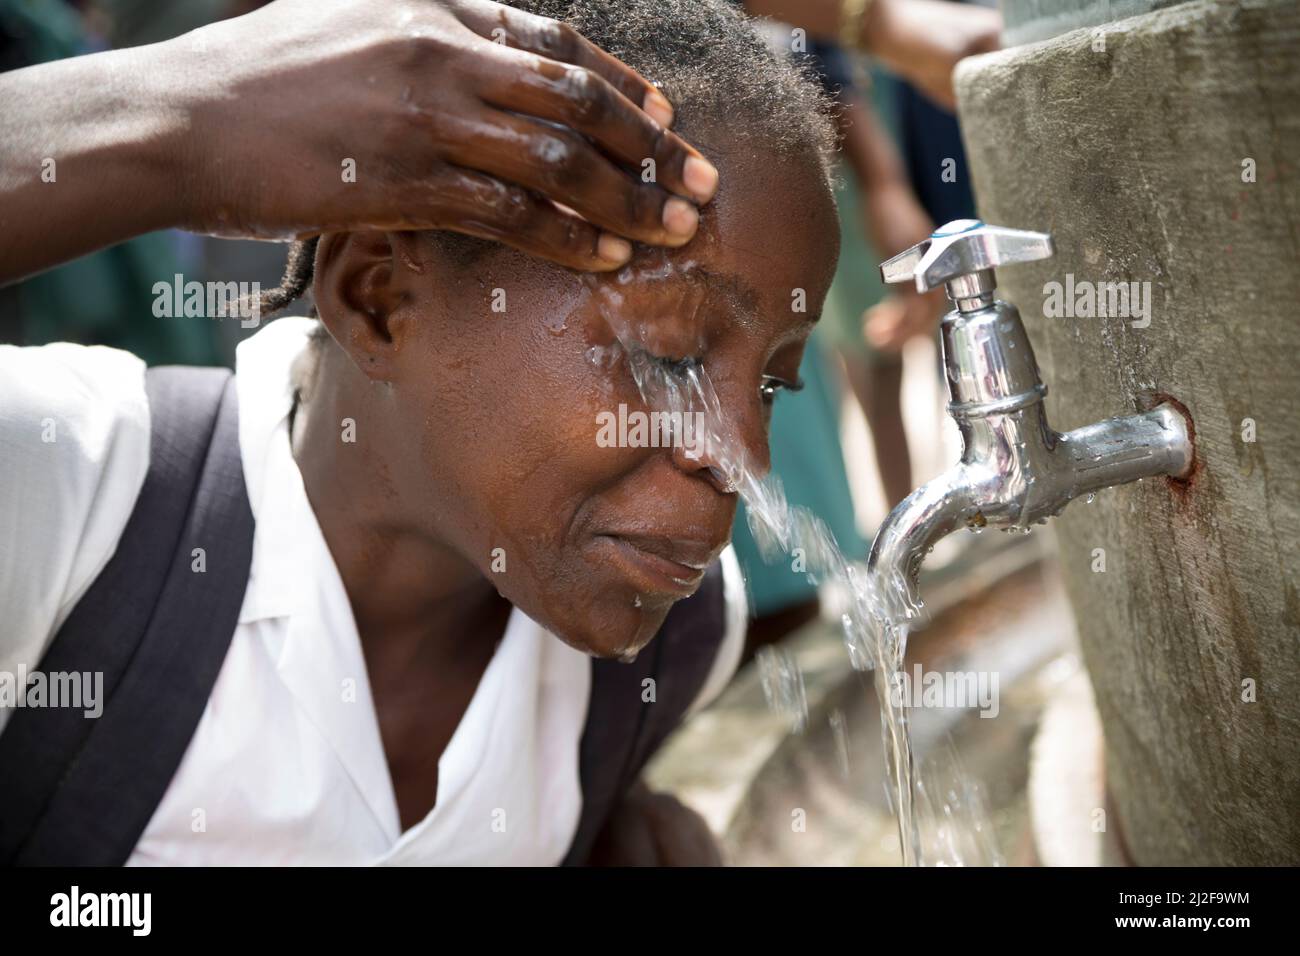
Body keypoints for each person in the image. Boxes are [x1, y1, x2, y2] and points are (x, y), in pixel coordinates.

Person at [0, 0, 838, 866]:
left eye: (772, 382)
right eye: (668, 357)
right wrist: (185, 117)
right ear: (380, 299)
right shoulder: (70, 501)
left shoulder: (680, 641)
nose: (743, 458)